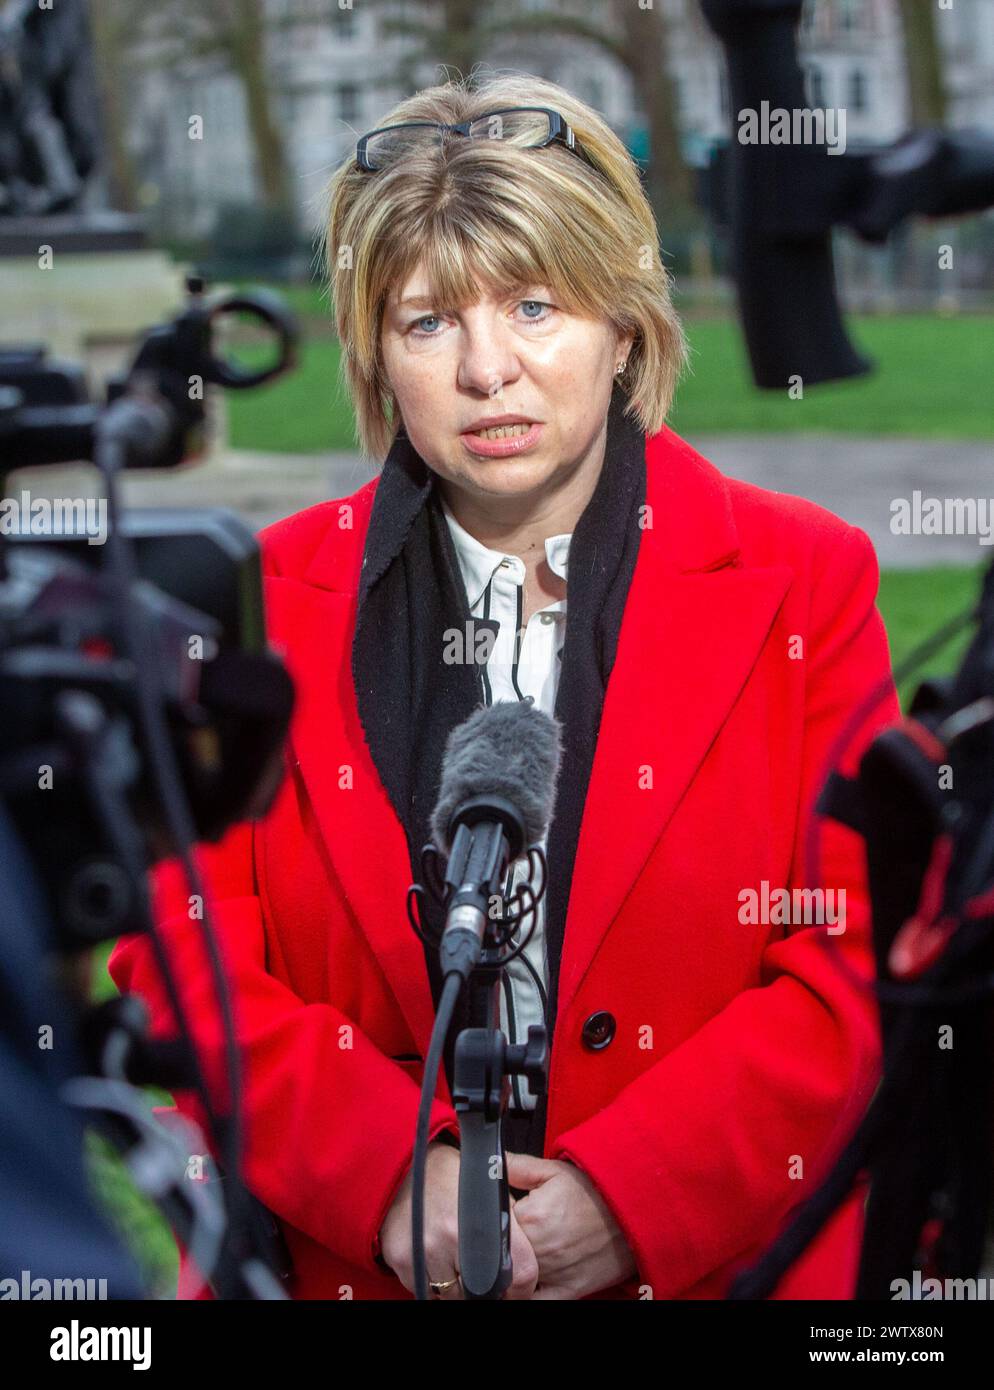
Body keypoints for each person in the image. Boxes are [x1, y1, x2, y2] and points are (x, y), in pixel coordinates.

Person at [109, 72, 900, 1300]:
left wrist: (634, 1196)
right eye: (428, 322)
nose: (488, 371)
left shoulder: (806, 578)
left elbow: (857, 958)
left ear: (624, 323)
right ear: (376, 352)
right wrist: (384, 1174)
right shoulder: (249, 598)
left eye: (536, 306)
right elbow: (181, 953)